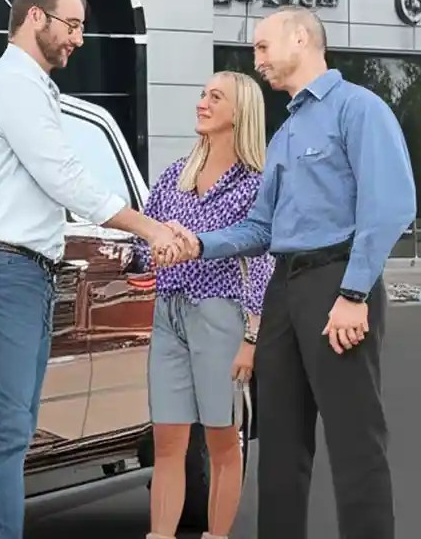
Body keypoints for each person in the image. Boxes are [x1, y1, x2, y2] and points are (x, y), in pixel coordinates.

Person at [160, 5, 416, 539]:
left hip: (337, 282)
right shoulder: (286, 133)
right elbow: (260, 227)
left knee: (355, 442)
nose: (257, 60)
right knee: (278, 444)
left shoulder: (358, 109)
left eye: (262, 46)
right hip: (284, 289)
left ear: (300, 39)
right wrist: (200, 244)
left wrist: (354, 292)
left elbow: (390, 205)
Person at [0, 0, 179, 539]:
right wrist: (150, 228)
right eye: (72, 25)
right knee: (2, 433)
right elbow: (66, 179)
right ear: (36, 17)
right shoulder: (15, 85)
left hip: (22, 275)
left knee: (12, 431)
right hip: (3, 273)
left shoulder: (30, 88)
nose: (78, 38)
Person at [129, 70, 274, 539]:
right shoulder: (175, 174)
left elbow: (264, 257)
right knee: (167, 441)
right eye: (202, 94)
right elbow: (143, 240)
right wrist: (153, 249)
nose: (202, 102)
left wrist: (251, 337)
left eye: (215, 97)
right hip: (167, 313)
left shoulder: (255, 184)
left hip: (220, 314)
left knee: (222, 440)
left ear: (240, 112)